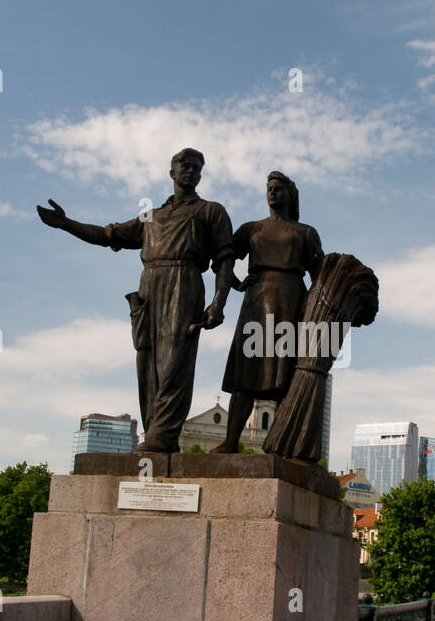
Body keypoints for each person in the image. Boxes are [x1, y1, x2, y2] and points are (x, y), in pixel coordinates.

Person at [37, 148, 234, 453]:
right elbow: (108, 235)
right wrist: (67, 224)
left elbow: (225, 260)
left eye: (197, 167)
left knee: (174, 362)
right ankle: (154, 432)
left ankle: (163, 435)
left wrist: (218, 303)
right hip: (149, 285)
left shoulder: (211, 211)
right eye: (185, 165)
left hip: (184, 283)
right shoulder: (151, 217)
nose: (191, 171)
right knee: (147, 362)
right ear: (172, 172)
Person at [213, 171, 323, 453]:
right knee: (244, 377)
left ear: (290, 195)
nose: (273, 193)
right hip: (256, 303)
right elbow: (223, 258)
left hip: (292, 304)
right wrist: (236, 283)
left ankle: (281, 445)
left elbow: (319, 276)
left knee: (287, 376)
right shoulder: (252, 229)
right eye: (269, 189)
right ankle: (230, 441)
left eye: (279, 189)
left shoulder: (305, 233)